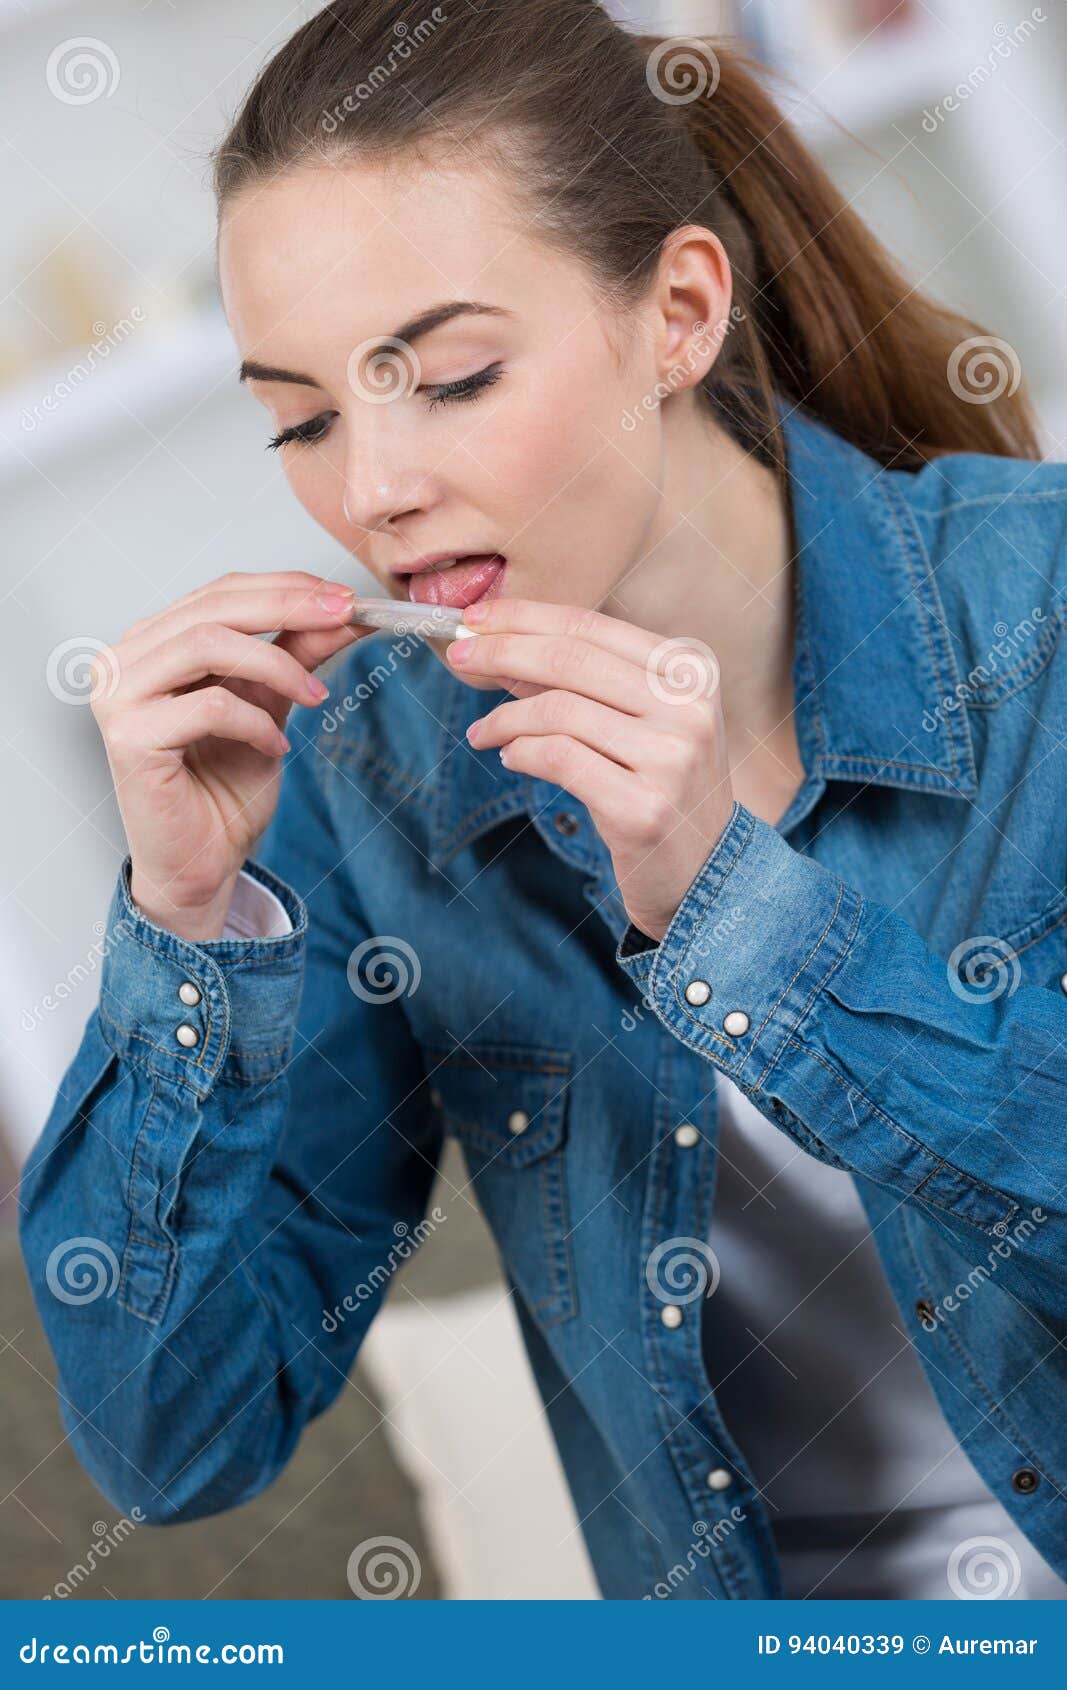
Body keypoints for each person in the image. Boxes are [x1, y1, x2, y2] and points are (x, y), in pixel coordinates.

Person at [19, 0, 1067, 1600]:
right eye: (300, 416)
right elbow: (175, 1442)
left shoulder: (1042, 607)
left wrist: (737, 909)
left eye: (450, 377)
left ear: (681, 311)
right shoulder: (373, 776)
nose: (370, 490)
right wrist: (187, 924)